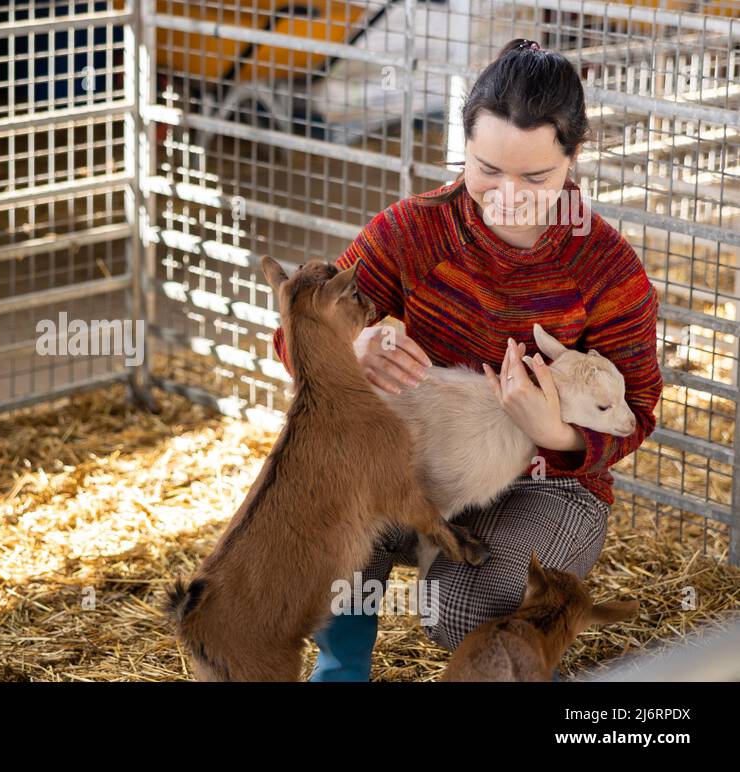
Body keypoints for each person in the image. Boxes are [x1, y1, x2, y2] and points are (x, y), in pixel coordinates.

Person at [270, 38, 664, 681]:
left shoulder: (606, 269)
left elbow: (638, 411)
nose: (507, 195)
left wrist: (554, 433)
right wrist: (352, 349)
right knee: (317, 494)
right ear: (465, 147)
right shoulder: (413, 230)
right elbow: (299, 332)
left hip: (548, 483)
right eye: (487, 169)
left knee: (458, 609)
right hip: (427, 464)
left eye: (535, 177)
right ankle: (340, 670)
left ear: (573, 158)